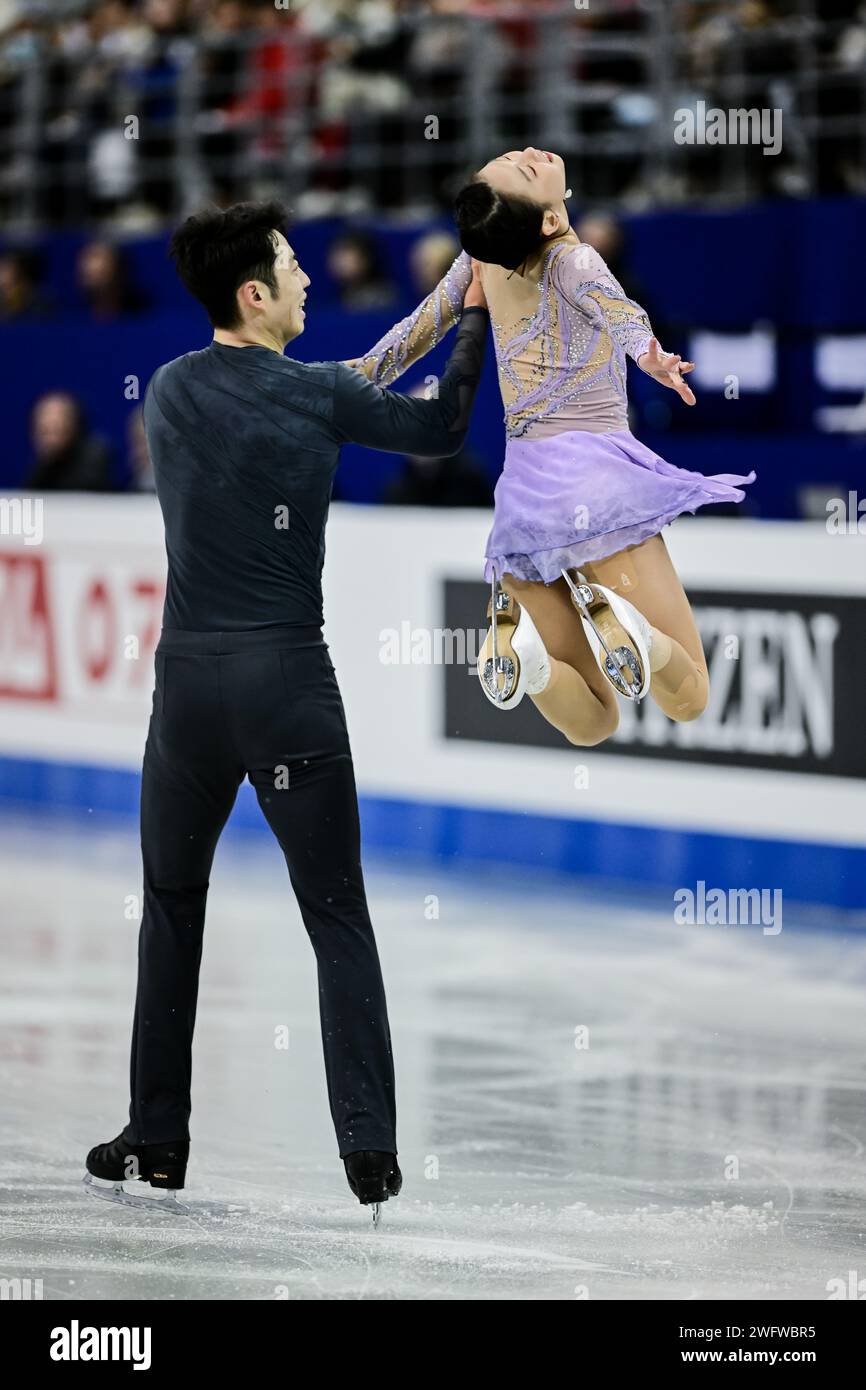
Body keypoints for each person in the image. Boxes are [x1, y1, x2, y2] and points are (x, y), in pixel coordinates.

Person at [83, 200, 488, 1217]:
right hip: (286, 689)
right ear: (256, 294)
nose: (308, 279)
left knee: (171, 908)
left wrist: (448, 302)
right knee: (336, 914)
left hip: (186, 695)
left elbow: (319, 379)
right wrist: (472, 313)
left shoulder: (169, 390)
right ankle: (368, 1150)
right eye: (293, 267)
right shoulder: (318, 394)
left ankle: (158, 1136)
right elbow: (437, 424)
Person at [352, 147, 754, 743]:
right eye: (523, 169)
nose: (527, 153)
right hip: (594, 481)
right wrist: (651, 356)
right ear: (546, 219)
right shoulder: (574, 256)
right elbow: (622, 316)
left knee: (592, 724)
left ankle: (530, 663)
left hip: (524, 501)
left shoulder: (479, 260)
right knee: (690, 697)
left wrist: (344, 380)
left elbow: (413, 333)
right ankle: (635, 632)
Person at [27, 392, 114, 492]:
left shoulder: (93, 464)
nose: (49, 440)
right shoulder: (41, 472)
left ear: (73, 428)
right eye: (43, 432)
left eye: (56, 430)